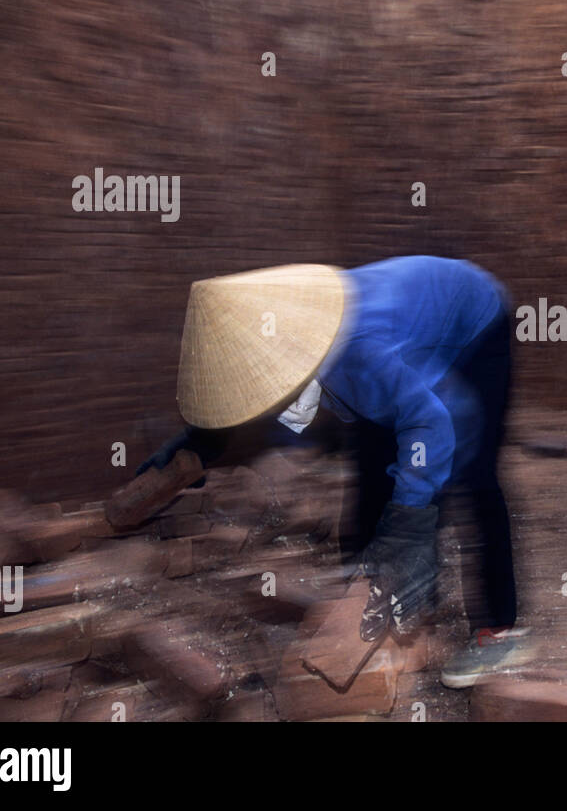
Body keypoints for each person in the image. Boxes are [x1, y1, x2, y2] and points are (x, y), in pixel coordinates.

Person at [137, 256, 534, 689]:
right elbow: (248, 385)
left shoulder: (361, 355)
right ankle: (376, 605)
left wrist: (410, 524)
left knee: (471, 474)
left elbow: (441, 420)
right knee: (372, 473)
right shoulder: (279, 339)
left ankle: (500, 630)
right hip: (399, 333)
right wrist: (200, 442)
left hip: (473, 321)